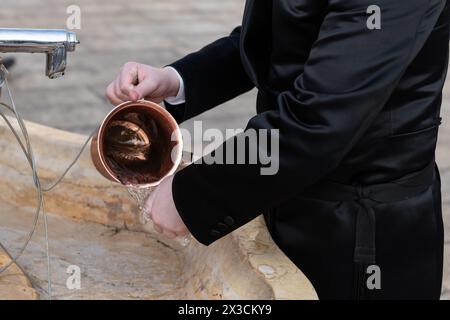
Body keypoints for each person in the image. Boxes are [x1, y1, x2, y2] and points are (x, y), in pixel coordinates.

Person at [106, 0, 449, 299]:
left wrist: (190, 197)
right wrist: (178, 80)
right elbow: (271, 40)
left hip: (361, 238)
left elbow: (318, 122)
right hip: (284, 193)